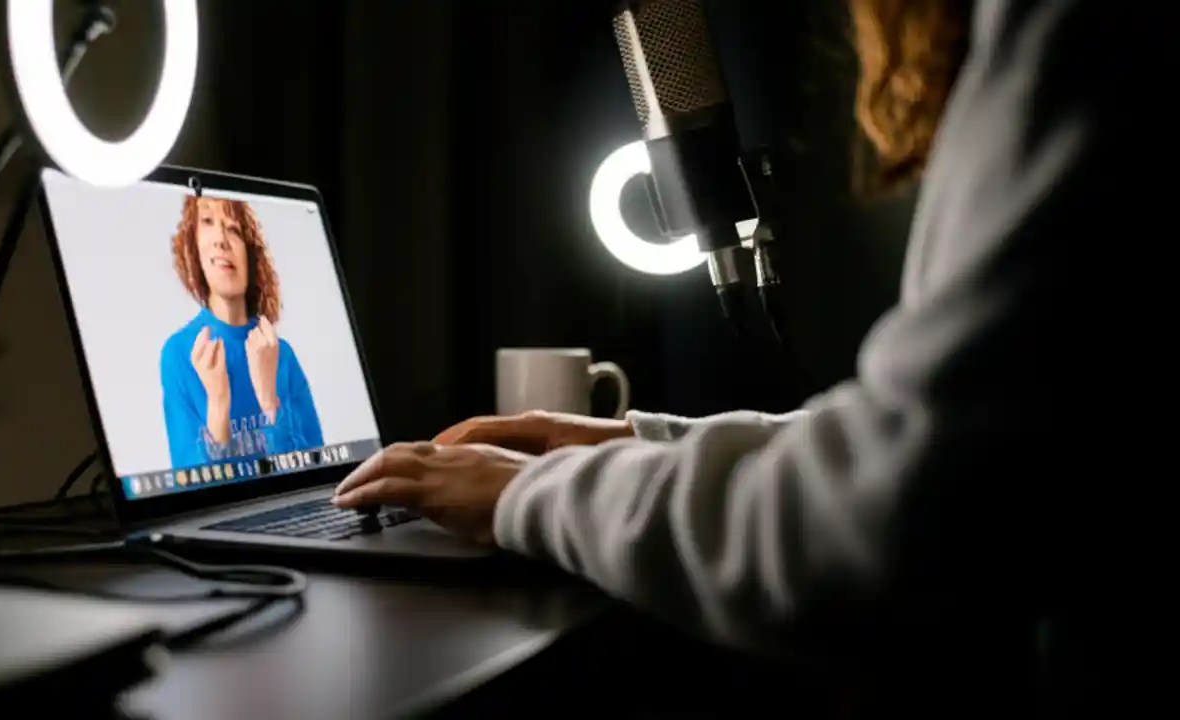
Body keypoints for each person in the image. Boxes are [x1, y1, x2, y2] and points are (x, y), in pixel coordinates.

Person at [336, 0, 1155, 710]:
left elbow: (887, 518)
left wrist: (530, 495)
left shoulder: (1078, 31)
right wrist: (637, 442)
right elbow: (918, 445)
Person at [160, 196, 324, 469]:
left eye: (234, 229)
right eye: (208, 222)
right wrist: (218, 402)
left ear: (250, 254)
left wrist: (270, 401)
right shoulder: (178, 354)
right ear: (194, 249)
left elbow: (317, 469)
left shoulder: (281, 354)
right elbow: (191, 494)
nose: (221, 240)